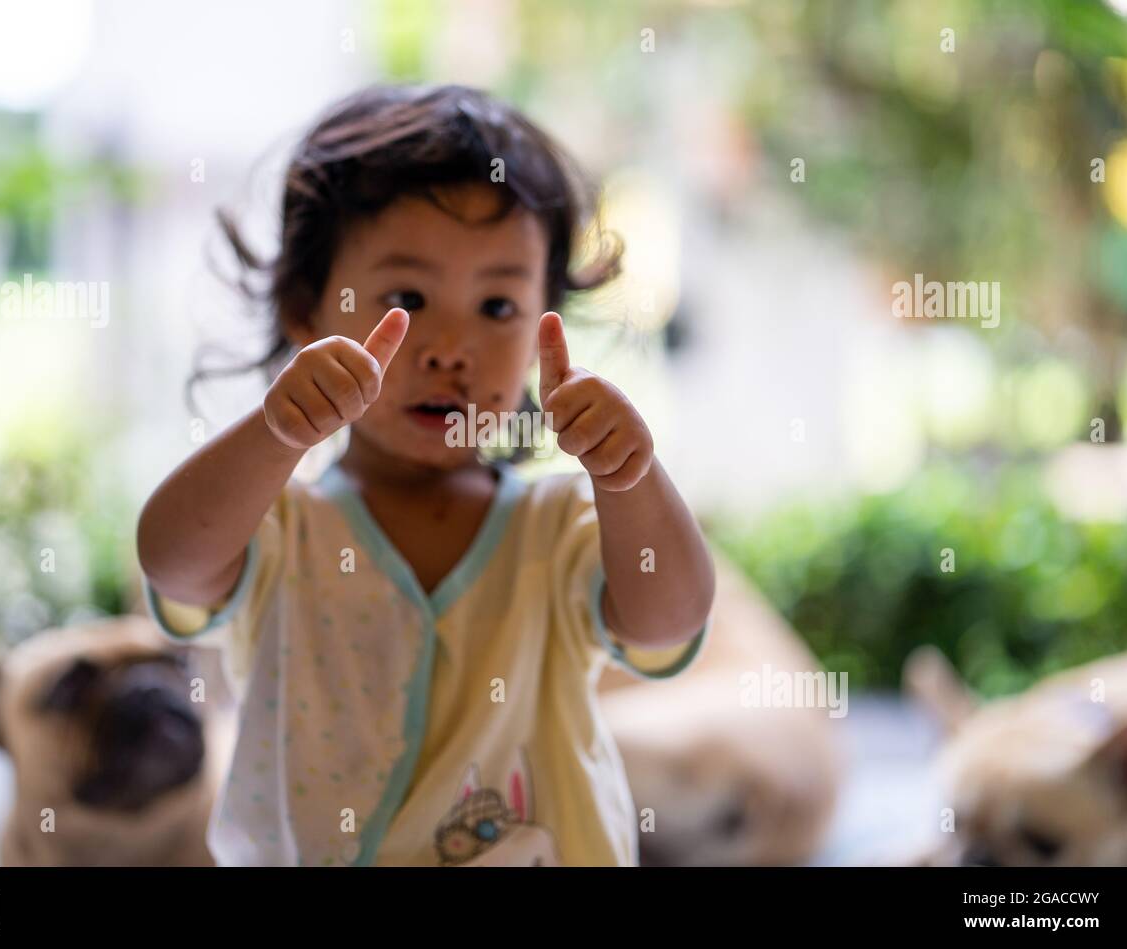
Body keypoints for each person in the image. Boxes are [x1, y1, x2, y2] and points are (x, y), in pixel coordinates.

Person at [137, 83, 715, 866]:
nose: (451, 346)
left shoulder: (559, 525)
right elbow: (173, 558)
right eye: (407, 297)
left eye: (499, 306)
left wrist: (630, 478)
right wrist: (274, 431)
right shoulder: (280, 528)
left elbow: (667, 622)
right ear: (306, 313)